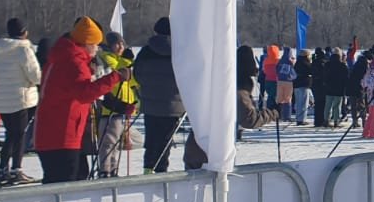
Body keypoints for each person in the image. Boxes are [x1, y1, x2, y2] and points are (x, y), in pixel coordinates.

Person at [33, 18, 125, 184]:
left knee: (76, 176)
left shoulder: (63, 55)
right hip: (61, 136)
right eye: (95, 44)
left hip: (56, 133)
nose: (97, 49)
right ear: (86, 42)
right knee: (66, 184)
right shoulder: (73, 61)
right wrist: (115, 77)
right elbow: (85, 93)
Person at [184, 45, 279, 168]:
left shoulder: (217, 81)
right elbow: (249, 119)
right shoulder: (237, 91)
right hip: (209, 153)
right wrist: (273, 113)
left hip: (201, 147)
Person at [0, 18, 43, 185]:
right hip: (22, 98)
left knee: (10, 135)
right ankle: (17, 169)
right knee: (19, 135)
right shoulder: (24, 50)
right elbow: (35, 75)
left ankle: (2, 170)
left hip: (2, 99)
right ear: (24, 32)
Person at [131, 17, 185, 173]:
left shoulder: (146, 51)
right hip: (173, 106)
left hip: (150, 105)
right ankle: (161, 172)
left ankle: (148, 170)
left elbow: (137, 74)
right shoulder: (179, 51)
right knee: (165, 143)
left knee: (152, 140)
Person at [94, 32, 137, 177]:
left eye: (122, 44)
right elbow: (116, 71)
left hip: (122, 107)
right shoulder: (107, 57)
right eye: (117, 44)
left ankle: (112, 169)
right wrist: (127, 62)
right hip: (110, 108)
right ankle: (105, 170)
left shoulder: (121, 60)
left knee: (116, 143)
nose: (120, 47)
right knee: (108, 142)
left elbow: (130, 81)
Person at [293, 49, 314, 124]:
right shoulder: (306, 63)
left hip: (296, 84)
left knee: (298, 102)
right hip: (304, 84)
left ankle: (298, 118)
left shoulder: (297, 63)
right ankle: (302, 119)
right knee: (304, 103)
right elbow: (311, 70)